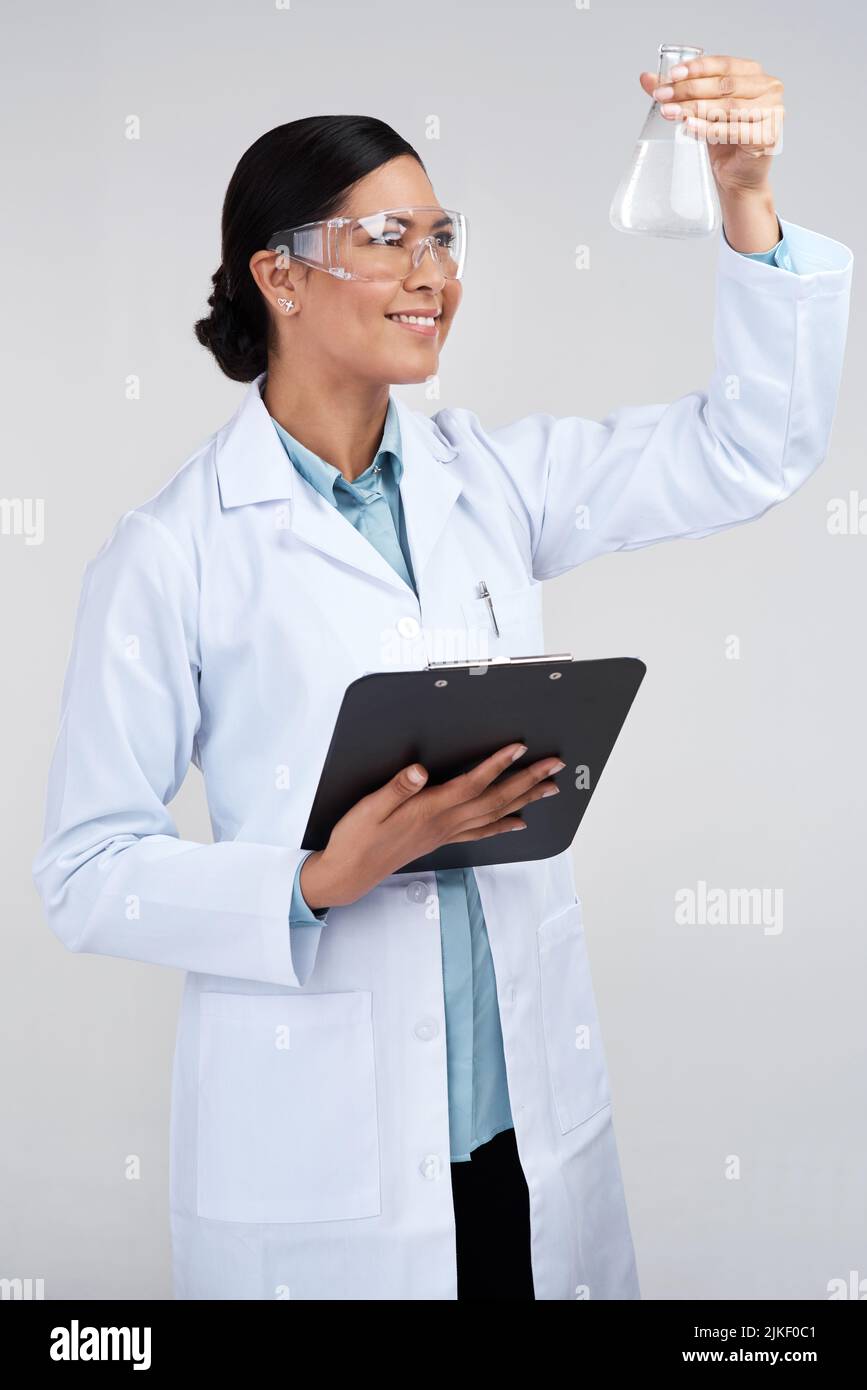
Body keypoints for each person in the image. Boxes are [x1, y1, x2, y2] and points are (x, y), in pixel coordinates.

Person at [33, 63, 853, 1300]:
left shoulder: (493, 482)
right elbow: (85, 873)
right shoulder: (174, 550)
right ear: (281, 274)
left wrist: (745, 198)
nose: (435, 273)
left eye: (444, 237)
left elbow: (744, 452)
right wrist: (317, 880)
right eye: (390, 237)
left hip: (521, 1135)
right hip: (325, 1167)